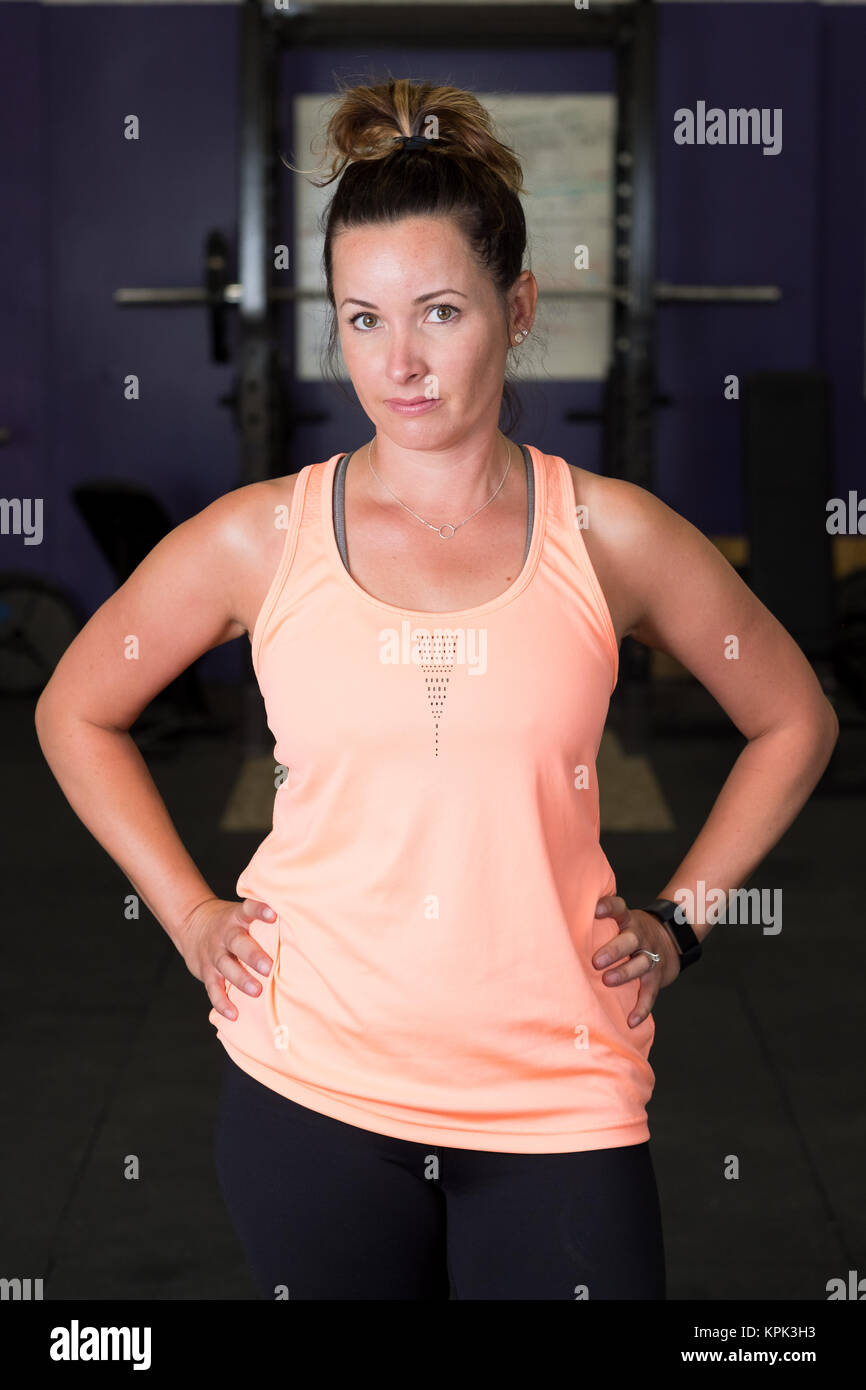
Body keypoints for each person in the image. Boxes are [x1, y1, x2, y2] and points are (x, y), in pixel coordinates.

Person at [34, 78, 838, 1302]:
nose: (396, 363)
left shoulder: (607, 533)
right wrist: (192, 915)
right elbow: (75, 709)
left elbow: (792, 719)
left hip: (557, 1090)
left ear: (517, 309)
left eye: (438, 312)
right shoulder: (261, 538)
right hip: (313, 1083)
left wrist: (680, 922)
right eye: (360, 319)